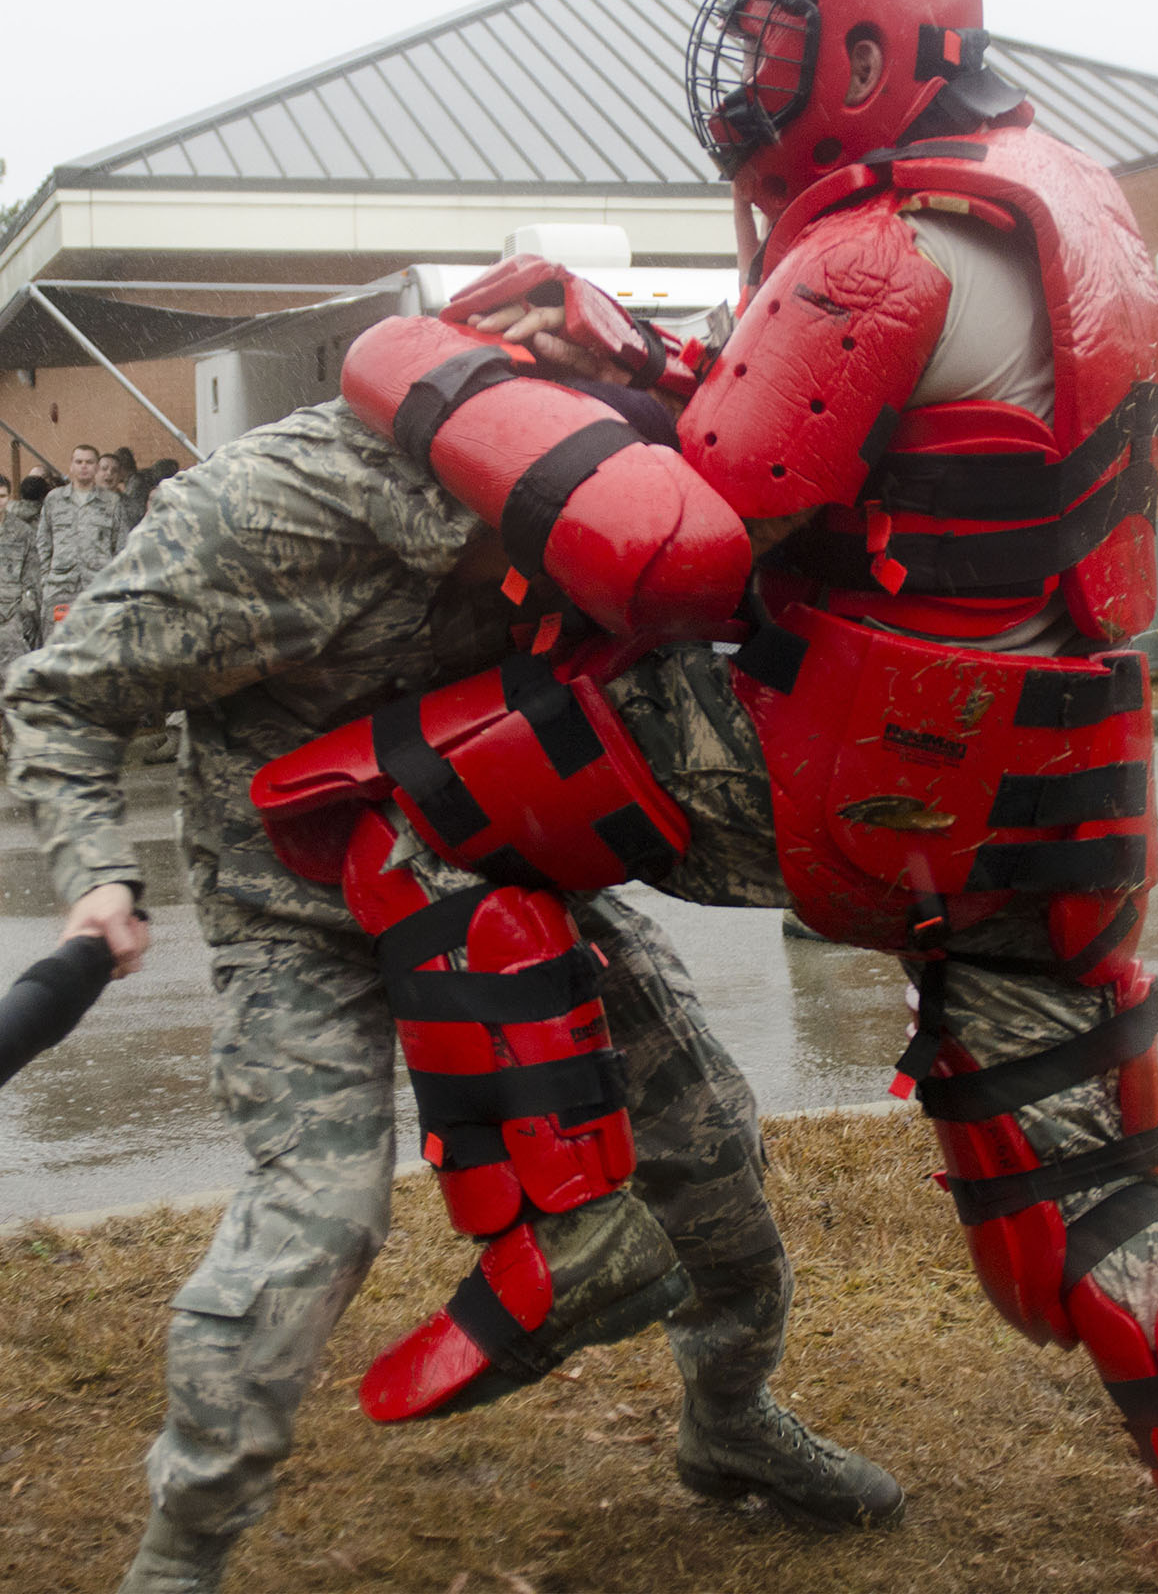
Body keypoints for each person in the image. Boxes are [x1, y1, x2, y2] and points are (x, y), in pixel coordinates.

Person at [271, 0, 1158, 1594]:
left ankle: (570, 1228)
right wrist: (635, 347)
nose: (748, 77)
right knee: (1089, 1202)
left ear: (865, 47)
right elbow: (856, 445)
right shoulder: (1079, 212)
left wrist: (414, 366)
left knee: (365, 801)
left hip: (856, 774)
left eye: (776, 40)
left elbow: (680, 547)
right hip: (1058, 785)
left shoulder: (873, 248)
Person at [4, 372, 900, 1588]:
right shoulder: (251, 527)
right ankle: (181, 1557)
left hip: (492, 875)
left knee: (712, 1150)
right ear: (473, 512)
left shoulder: (598, 487)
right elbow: (59, 701)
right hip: (296, 911)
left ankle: (729, 1424)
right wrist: (99, 877)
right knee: (314, 1225)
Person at [35, 442, 129, 634]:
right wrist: (47, 578)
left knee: (97, 649)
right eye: (79, 462)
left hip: (98, 588)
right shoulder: (54, 499)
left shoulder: (111, 502)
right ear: (71, 466)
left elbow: (121, 547)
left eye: (89, 462)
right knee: (57, 650)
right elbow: (43, 542)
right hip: (60, 589)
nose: (84, 466)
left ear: (96, 467)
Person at [0, 472, 40, 689]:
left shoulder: (22, 532)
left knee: (14, 683)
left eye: (2, 496)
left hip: (10, 618)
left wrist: (27, 611)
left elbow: (31, 576)